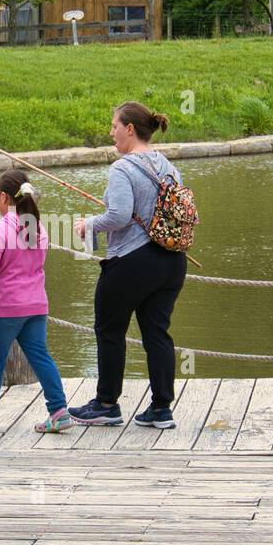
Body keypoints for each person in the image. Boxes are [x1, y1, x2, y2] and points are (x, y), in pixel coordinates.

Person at [70, 101, 187, 429]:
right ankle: (161, 409)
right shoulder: (167, 165)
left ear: (130, 129)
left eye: (114, 126)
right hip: (171, 262)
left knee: (109, 330)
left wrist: (87, 225)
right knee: (156, 333)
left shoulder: (122, 168)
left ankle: (106, 403)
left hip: (133, 264)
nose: (111, 132)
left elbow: (119, 216)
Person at [0, 169, 71, 433]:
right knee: (41, 356)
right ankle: (59, 410)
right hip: (36, 305)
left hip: (5, 308)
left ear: (4, 197)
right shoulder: (38, 227)